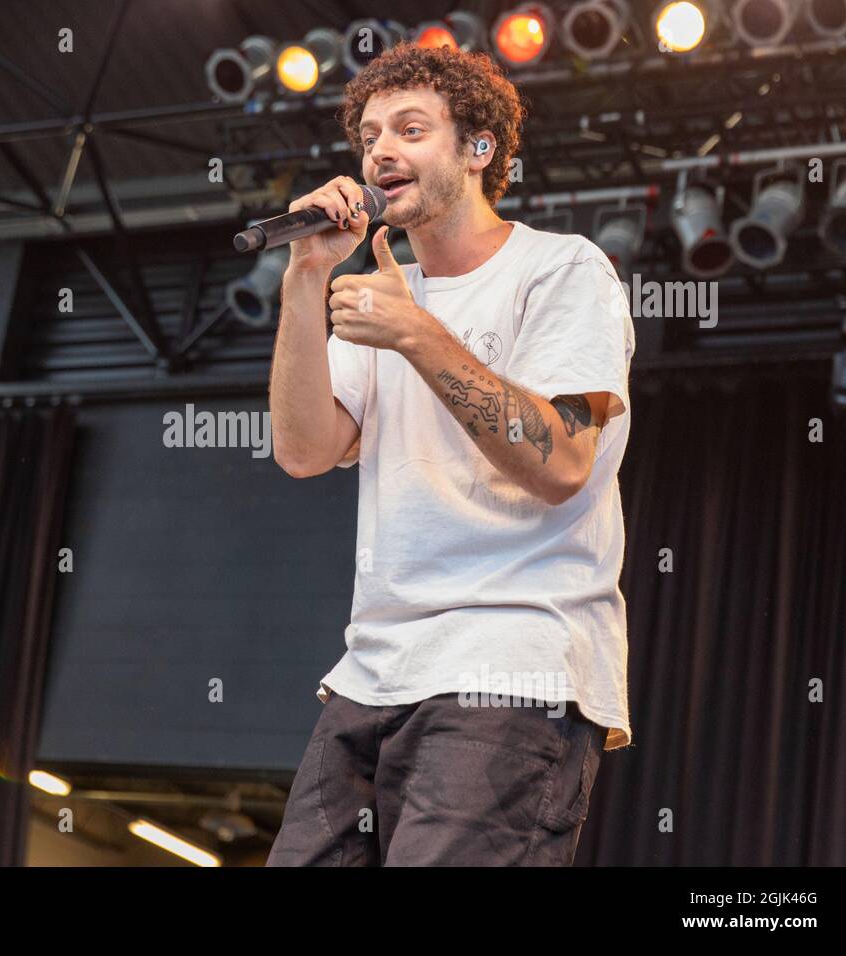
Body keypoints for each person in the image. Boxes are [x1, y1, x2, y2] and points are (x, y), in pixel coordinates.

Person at [266, 41, 635, 866]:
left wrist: (417, 335)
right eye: (368, 136)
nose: (379, 151)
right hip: (371, 673)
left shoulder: (562, 269)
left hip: (511, 669)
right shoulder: (394, 291)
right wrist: (305, 275)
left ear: (478, 150)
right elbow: (302, 450)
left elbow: (562, 464)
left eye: (409, 128)